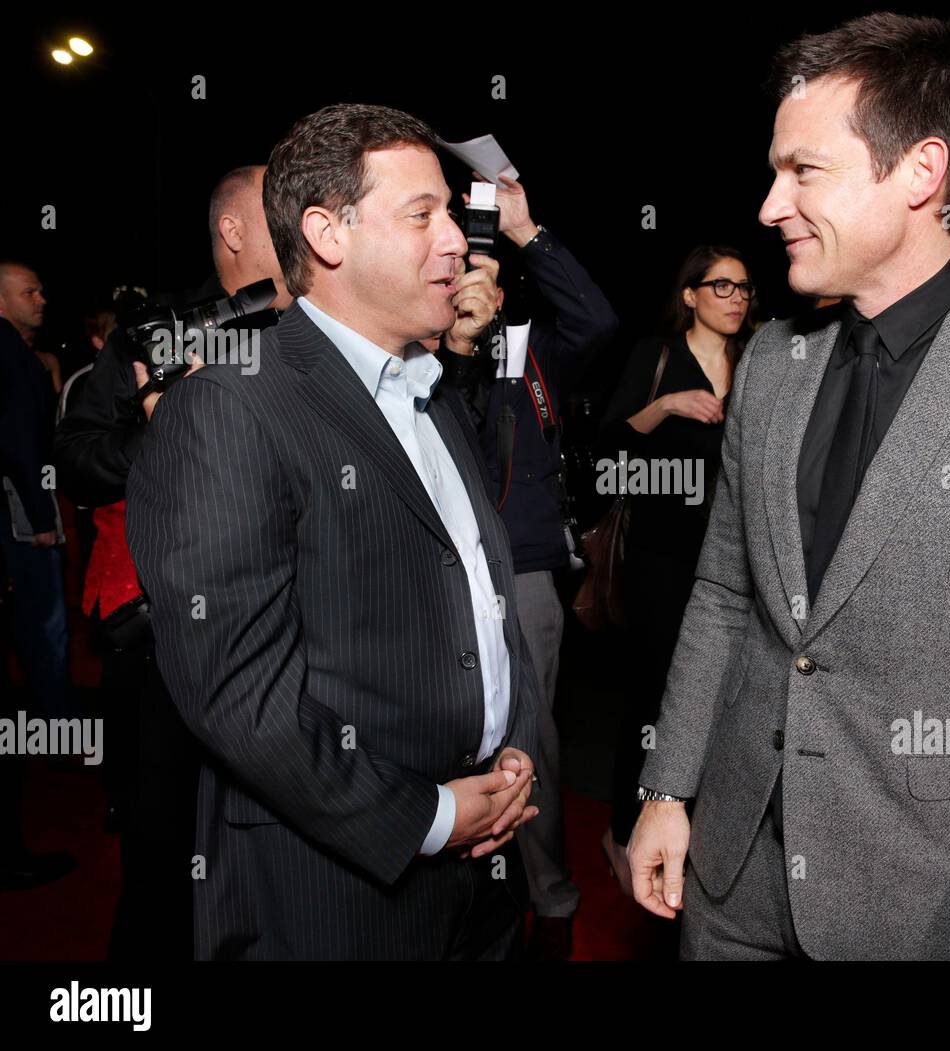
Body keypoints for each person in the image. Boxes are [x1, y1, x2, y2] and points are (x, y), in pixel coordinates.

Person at [626, 13, 950, 960]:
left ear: (920, 172)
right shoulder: (775, 364)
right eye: (773, 169)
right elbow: (723, 595)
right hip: (730, 879)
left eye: (803, 171)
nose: (769, 205)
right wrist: (668, 789)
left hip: (928, 910)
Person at [126, 103, 540, 960]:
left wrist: (510, 756)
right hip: (331, 896)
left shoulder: (431, 391)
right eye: (422, 215)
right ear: (327, 233)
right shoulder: (232, 404)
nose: (459, 242)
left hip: (483, 880)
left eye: (452, 218)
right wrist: (428, 818)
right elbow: (238, 694)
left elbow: (484, 602)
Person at [54, 165, 290, 959]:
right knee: (163, 864)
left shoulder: (329, 331)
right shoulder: (157, 333)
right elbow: (77, 461)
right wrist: (162, 426)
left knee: (290, 867)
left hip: (305, 642)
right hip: (172, 650)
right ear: (233, 231)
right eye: (279, 202)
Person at [433, 172, 617, 959]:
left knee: (530, 737)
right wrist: (453, 345)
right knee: (447, 733)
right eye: (455, 277)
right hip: (439, 574)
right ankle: (450, 892)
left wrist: (525, 231)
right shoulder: (421, 356)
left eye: (482, 279)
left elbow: (598, 321)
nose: (469, 287)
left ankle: (551, 895)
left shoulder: (527, 351)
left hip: (527, 574)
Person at [598, 245, 754, 896]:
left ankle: (694, 821)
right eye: (721, 285)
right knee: (654, 695)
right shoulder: (655, 356)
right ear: (689, 295)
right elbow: (610, 446)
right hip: (663, 556)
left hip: (737, 559)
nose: (737, 298)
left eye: (745, 288)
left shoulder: (760, 361)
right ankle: (625, 826)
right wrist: (667, 406)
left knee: (725, 698)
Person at [0, 259, 74, 891]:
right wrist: (38, 511)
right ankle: (57, 737)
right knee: (43, 631)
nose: (42, 298)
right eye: (31, 290)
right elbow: (20, 438)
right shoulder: (6, 352)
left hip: (22, 509)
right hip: (22, 516)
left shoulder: (23, 353)